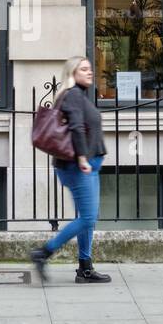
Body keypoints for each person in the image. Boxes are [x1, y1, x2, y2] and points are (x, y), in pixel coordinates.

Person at [30, 56, 112, 284]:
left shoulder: (77, 95)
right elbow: (76, 127)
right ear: (72, 73)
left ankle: (85, 268)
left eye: (90, 68)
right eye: (83, 69)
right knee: (87, 218)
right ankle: (43, 253)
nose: (89, 72)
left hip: (87, 166)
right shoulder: (74, 95)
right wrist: (83, 158)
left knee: (87, 218)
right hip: (79, 167)